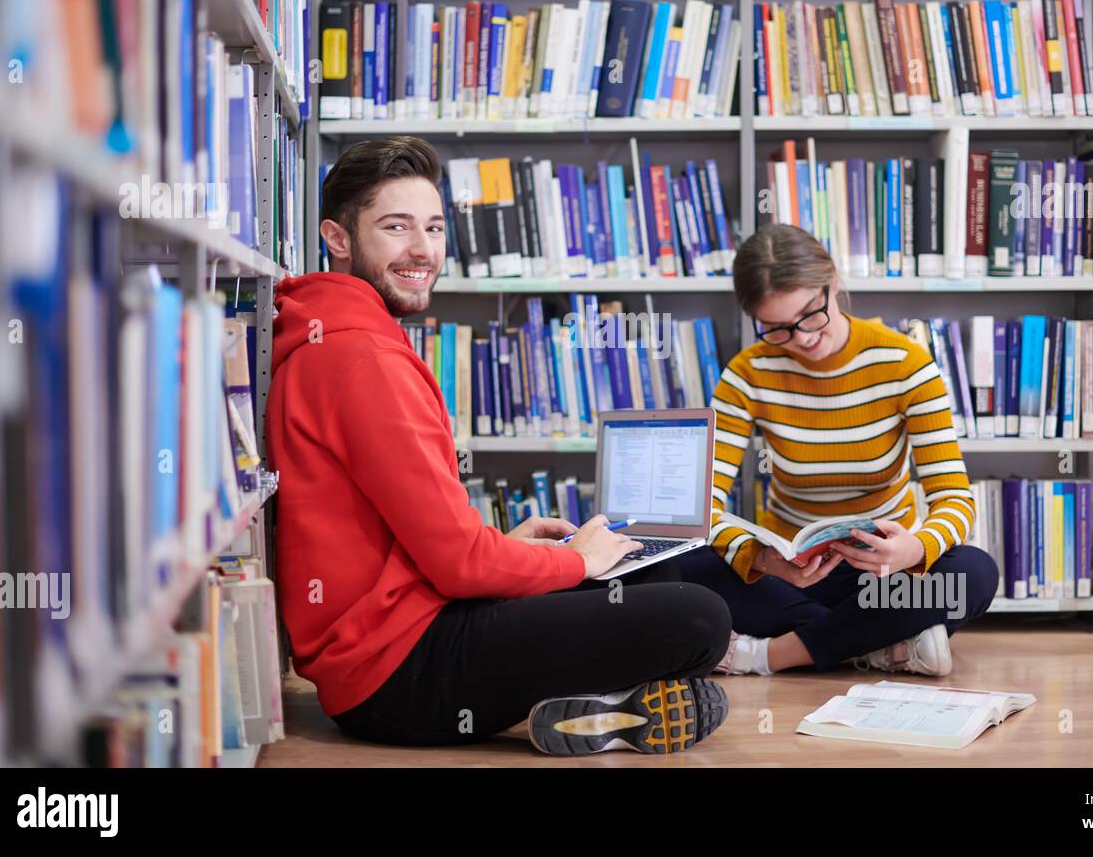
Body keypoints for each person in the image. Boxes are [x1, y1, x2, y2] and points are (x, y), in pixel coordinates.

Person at [264, 137, 730, 755]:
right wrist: (574, 562)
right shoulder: (363, 358)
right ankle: (611, 706)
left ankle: (591, 704)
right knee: (698, 616)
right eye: (395, 227)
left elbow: (420, 542)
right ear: (339, 237)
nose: (422, 250)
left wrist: (508, 550)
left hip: (404, 630)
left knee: (662, 567)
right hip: (399, 675)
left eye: (432, 227)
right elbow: (458, 564)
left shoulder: (343, 335)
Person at [678, 223, 998, 677]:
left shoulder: (905, 363)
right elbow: (701, 505)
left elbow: (955, 500)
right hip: (787, 577)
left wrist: (914, 548)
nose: (803, 338)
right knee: (675, 568)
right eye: (777, 329)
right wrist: (761, 558)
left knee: (974, 572)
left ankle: (766, 655)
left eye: (811, 314)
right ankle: (879, 643)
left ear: (834, 283)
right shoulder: (748, 373)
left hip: (882, 577)